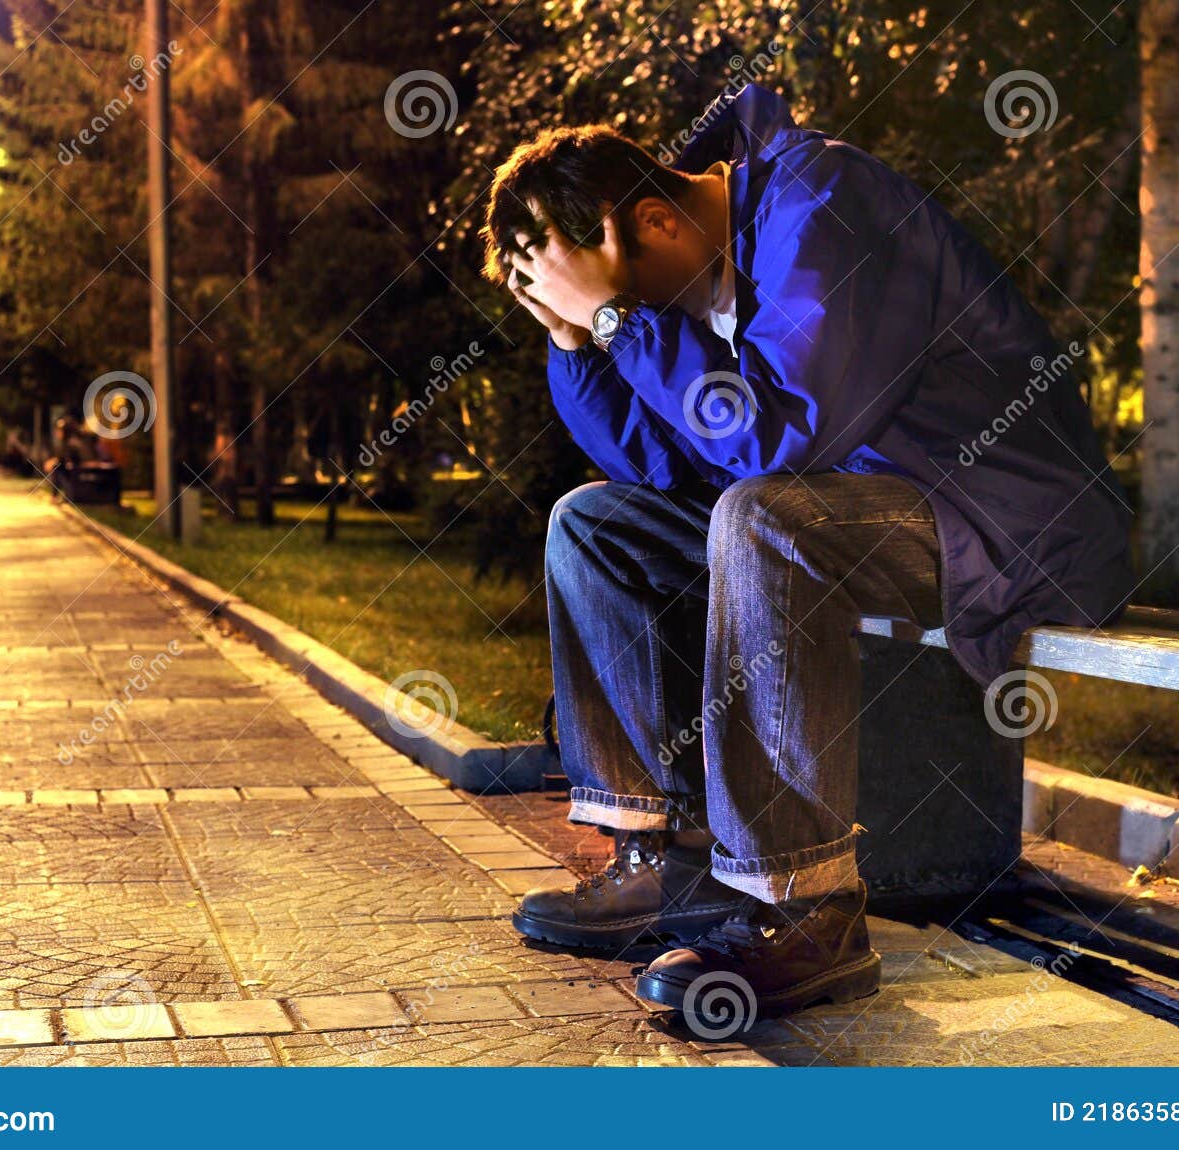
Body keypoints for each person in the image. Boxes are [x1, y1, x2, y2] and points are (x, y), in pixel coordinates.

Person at [481, 84, 1134, 1020]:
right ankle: (663, 861)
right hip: (881, 511)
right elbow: (665, 466)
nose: (612, 313)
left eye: (605, 289)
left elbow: (780, 440)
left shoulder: (820, 205)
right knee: (597, 524)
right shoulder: (715, 260)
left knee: (765, 520)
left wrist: (625, 323)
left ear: (657, 220)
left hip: (1011, 524)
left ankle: (805, 906)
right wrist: (581, 344)